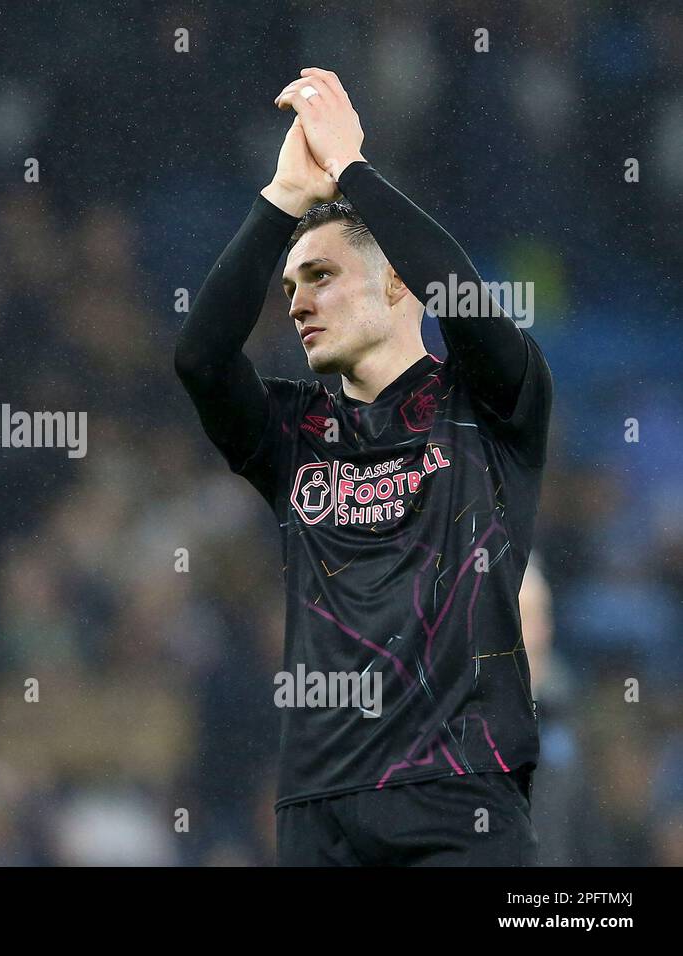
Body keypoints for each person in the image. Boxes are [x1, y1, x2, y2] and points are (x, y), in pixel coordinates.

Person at [175, 69, 553, 865]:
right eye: (288, 285)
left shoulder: (488, 406)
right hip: (318, 815)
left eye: (320, 276)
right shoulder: (295, 432)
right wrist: (281, 196)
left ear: (394, 280)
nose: (296, 302)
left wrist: (352, 171)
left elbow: (463, 296)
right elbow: (201, 358)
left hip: (459, 801)